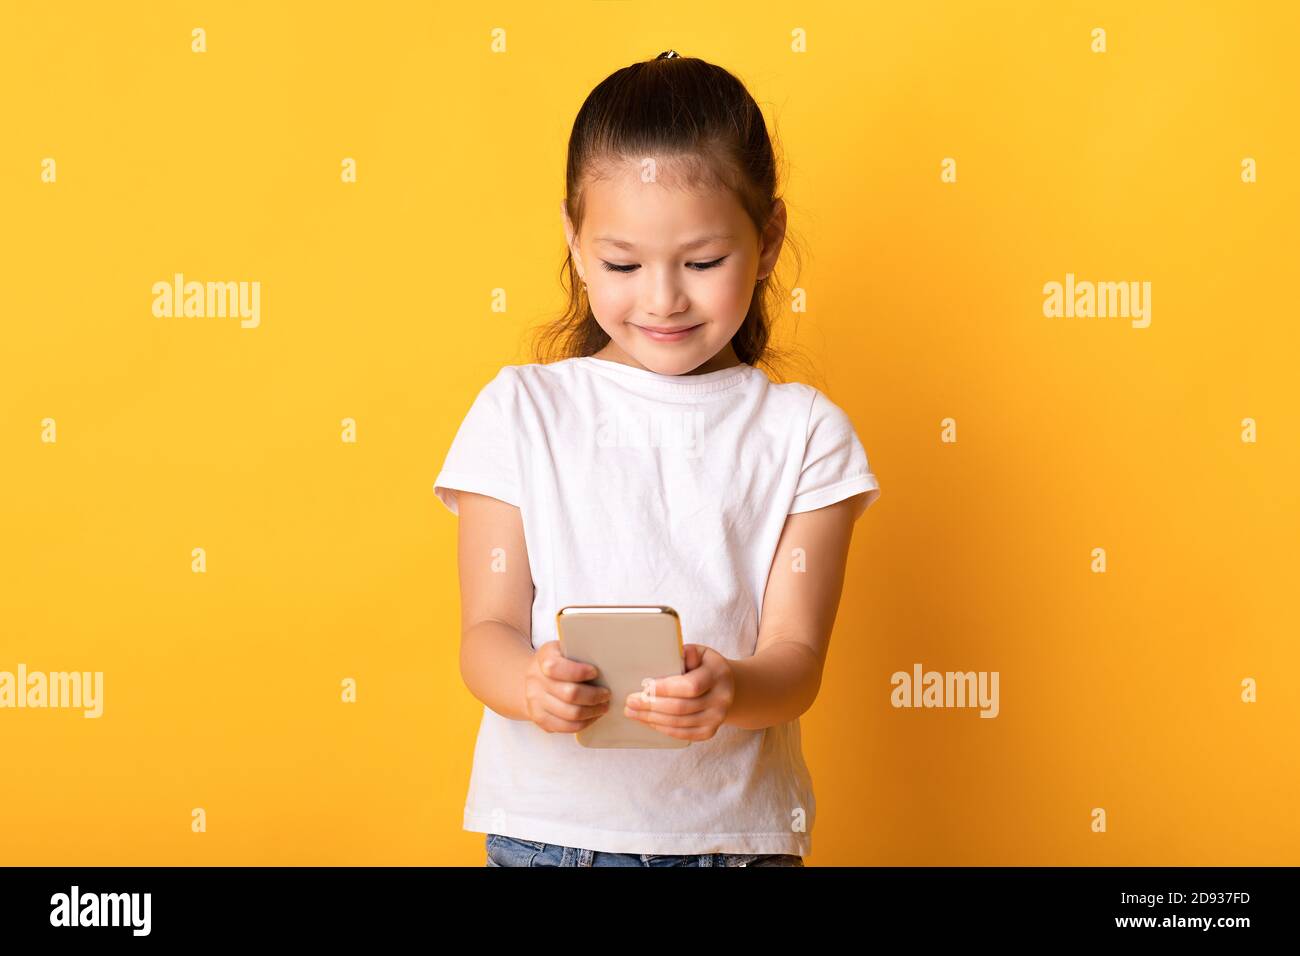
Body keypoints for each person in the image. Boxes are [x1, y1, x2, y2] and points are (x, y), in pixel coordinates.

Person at [433, 50, 881, 868]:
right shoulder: (520, 412)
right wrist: (529, 686)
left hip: (732, 843)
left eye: (703, 263)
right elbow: (485, 633)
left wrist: (733, 690)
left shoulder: (805, 435)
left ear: (769, 237)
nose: (663, 297)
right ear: (574, 240)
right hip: (547, 838)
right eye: (623, 264)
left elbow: (797, 660)